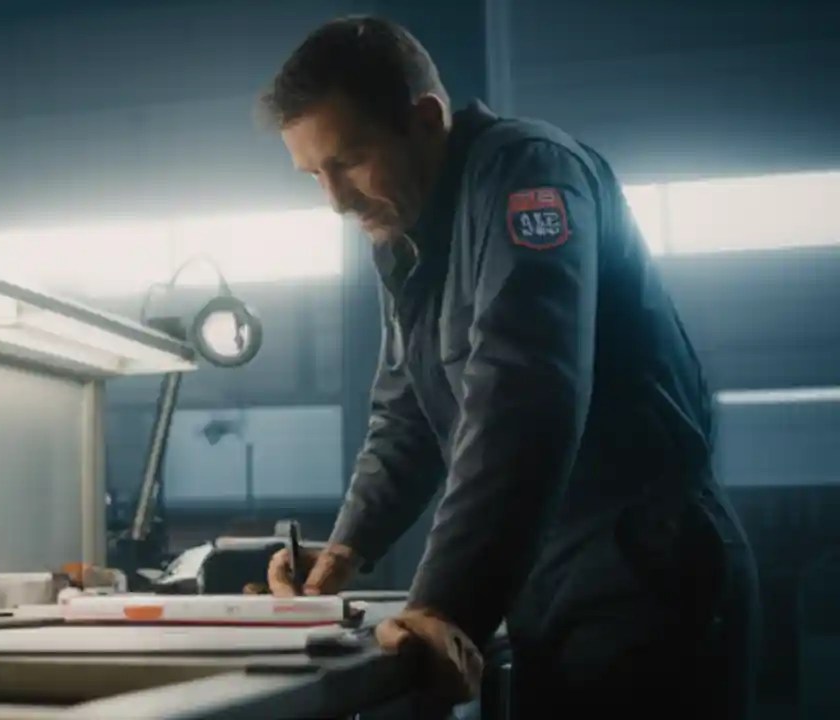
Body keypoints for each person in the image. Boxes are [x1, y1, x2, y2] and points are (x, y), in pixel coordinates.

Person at [257, 16, 760, 718]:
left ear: (426, 120)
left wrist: (443, 604)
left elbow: (523, 390)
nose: (335, 199)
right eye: (314, 174)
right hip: (546, 569)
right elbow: (405, 411)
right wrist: (348, 546)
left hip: (644, 564)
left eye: (348, 160)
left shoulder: (528, 172)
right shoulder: (404, 235)